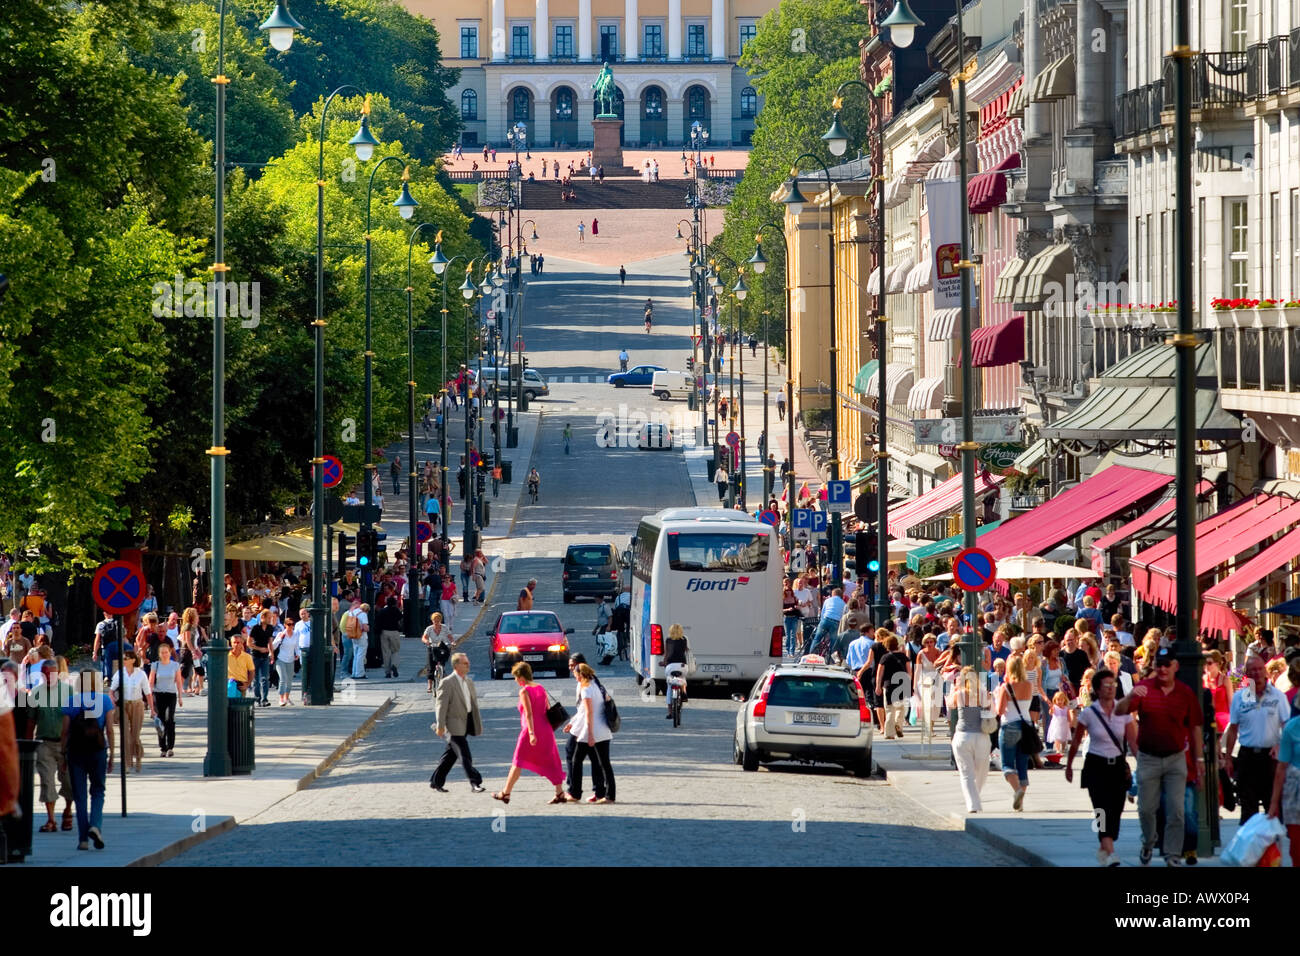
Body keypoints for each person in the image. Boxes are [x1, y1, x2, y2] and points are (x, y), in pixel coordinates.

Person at [1116, 647, 1204, 866]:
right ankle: (1148, 841)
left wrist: (1199, 760)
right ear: (1154, 666)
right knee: (1146, 808)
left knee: (1177, 811)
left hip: (1176, 759)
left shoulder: (1185, 692)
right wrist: (1130, 695)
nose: (1163, 668)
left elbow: (1195, 728)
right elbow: (1119, 711)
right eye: (1159, 664)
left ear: (1175, 666)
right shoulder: (1144, 687)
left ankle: (1172, 854)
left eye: (1167, 664)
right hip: (1149, 758)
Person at [1066, 669, 1138, 866]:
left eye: (1113, 686)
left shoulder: (1123, 711)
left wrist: (1142, 763)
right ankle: (1111, 851)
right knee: (1102, 808)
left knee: (1116, 808)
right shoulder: (1089, 713)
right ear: (1097, 690)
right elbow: (1076, 741)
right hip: (1096, 765)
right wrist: (1069, 765)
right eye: (1106, 686)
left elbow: (1133, 742)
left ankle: (1104, 845)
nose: (1110, 689)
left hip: (1117, 767)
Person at [1221, 654, 1291, 824]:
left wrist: (1280, 745)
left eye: (1260, 669)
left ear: (1265, 672)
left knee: (1273, 806)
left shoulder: (1277, 696)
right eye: (1253, 670)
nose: (1257, 673)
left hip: (1270, 757)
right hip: (1247, 757)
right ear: (1247, 674)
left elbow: (1287, 726)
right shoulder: (1240, 698)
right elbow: (1233, 728)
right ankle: (1249, 847)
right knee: (1248, 807)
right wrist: (1228, 757)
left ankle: (1273, 847)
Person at [492, 661, 566, 803]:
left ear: (521, 677)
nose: (515, 680)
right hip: (546, 729)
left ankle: (505, 793)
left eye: (515, 677)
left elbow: (529, 714)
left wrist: (531, 733)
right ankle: (560, 792)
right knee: (552, 760)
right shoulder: (540, 687)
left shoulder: (524, 691)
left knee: (518, 761)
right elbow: (547, 708)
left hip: (530, 730)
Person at [61, 669, 114, 851]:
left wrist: (62, 754)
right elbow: (109, 729)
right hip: (98, 749)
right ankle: (95, 826)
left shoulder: (72, 701)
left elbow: (65, 731)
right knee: (98, 790)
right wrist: (112, 753)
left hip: (76, 750)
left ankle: (83, 839)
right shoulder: (105, 700)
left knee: (80, 796)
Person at [25, 661, 74, 833]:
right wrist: (28, 746)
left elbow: (74, 719)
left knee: (68, 780)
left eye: (51, 673)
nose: (48, 677)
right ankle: (51, 819)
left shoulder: (68, 691)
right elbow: (31, 722)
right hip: (44, 742)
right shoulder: (36, 693)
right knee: (46, 780)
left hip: (65, 744)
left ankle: (68, 810)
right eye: (45, 673)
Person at [431, 653, 486, 793]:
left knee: (451, 754)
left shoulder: (469, 682)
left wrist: (477, 723)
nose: (468, 665)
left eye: (468, 663)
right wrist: (440, 725)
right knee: (464, 753)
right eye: (465, 663)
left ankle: (436, 781)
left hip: (467, 721)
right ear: (456, 666)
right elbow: (441, 706)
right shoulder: (447, 682)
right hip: (453, 724)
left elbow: (473, 704)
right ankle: (475, 782)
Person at [563, 663, 615, 803]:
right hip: (603, 728)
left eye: (575, 675)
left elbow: (588, 712)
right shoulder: (596, 685)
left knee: (576, 760)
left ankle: (575, 793)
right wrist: (573, 723)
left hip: (591, 730)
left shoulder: (586, 689)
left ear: (580, 675)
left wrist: (590, 734)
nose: (575, 677)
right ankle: (609, 795)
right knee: (604, 763)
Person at [996, 653, 1039, 811]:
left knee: (1007, 765)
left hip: (1009, 725)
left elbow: (1000, 711)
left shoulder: (1006, 687)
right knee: (1022, 765)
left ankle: (1018, 791)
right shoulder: (1029, 685)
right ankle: (1020, 802)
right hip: (1026, 725)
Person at [948, 667, 994, 812]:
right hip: (982, 736)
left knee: (966, 773)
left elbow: (950, 705)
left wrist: (955, 687)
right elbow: (993, 711)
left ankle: (973, 804)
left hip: (963, 735)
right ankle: (975, 797)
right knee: (982, 771)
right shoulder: (984, 694)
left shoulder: (959, 693)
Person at [109, 650, 152, 773]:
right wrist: (112, 701)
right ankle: (127, 763)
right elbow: (111, 690)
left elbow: (148, 692)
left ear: (133, 660)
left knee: (135, 735)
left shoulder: (141, 674)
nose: (124, 660)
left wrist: (153, 710)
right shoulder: (119, 673)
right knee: (126, 736)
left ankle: (138, 757)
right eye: (123, 658)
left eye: (126, 658)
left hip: (137, 705)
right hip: (123, 705)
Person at [1267, 710, 1300, 867]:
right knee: (1297, 844)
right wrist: (1274, 803)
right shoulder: (1291, 728)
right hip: (1294, 793)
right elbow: (1281, 768)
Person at [875, 634, 912, 739]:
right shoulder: (904, 657)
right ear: (897, 645)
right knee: (901, 708)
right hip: (902, 685)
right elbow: (909, 672)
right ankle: (898, 725)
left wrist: (878, 686)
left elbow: (880, 673)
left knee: (890, 709)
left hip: (889, 686)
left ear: (887, 645)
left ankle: (889, 733)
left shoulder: (885, 657)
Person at [149, 641, 183, 757]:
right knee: (160, 721)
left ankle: (170, 747)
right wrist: (150, 702)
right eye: (162, 653)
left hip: (171, 694)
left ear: (170, 653)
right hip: (158, 695)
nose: (165, 654)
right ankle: (163, 747)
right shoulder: (155, 665)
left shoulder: (175, 665)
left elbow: (178, 681)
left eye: (166, 652)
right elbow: (151, 683)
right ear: (159, 654)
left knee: (170, 720)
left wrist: (180, 697)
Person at [660, 622, 690, 718]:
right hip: (682, 665)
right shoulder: (684, 639)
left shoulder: (668, 640)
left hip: (670, 666)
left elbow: (667, 655)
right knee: (682, 679)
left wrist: (663, 663)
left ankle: (669, 712)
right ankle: (684, 692)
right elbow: (686, 651)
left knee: (669, 687)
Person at [421, 611, 454, 694]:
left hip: (442, 648)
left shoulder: (444, 627)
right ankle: (430, 685)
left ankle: (442, 673)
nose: (436, 622)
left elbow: (450, 637)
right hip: (432, 647)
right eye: (434, 621)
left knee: (442, 663)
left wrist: (453, 642)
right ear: (432, 621)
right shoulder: (429, 628)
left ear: (440, 620)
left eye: (438, 621)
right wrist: (426, 641)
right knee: (431, 667)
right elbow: (424, 638)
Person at [247, 609, 275, 706]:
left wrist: (272, 654)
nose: (270, 620)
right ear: (262, 617)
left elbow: (270, 642)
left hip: (265, 656)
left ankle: (265, 699)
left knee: (265, 678)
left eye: (271, 618)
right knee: (256, 678)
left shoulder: (270, 628)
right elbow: (249, 643)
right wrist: (259, 649)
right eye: (268, 618)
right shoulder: (255, 628)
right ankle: (257, 698)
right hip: (255, 655)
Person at [272, 620, 299, 707]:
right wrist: (279, 639)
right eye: (289, 624)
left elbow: (297, 646)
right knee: (283, 679)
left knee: (289, 681)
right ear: (285, 625)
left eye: (292, 624)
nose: (291, 626)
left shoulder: (295, 634)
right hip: (280, 659)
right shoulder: (281, 634)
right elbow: (273, 646)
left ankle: (287, 697)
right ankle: (281, 698)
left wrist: (297, 654)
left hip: (290, 659)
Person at [376, 596, 403, 679]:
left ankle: (387, 672)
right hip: (394, 632)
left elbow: (377, 621)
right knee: (395, 651)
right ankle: (394, 665)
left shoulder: (382, 611)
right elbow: (400, 618)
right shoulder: (396, 610)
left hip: (384, 632)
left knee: (386, 652)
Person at [226, 633, 255, 698]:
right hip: (229, 684)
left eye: (238, 642)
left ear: (242, 643)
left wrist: (247, 685)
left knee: (239, 706)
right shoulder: (226, 656)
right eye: (234, 642)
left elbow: (252, 671)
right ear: (231, 644)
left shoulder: (247, 657)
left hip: (241, 684)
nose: (236, 644)